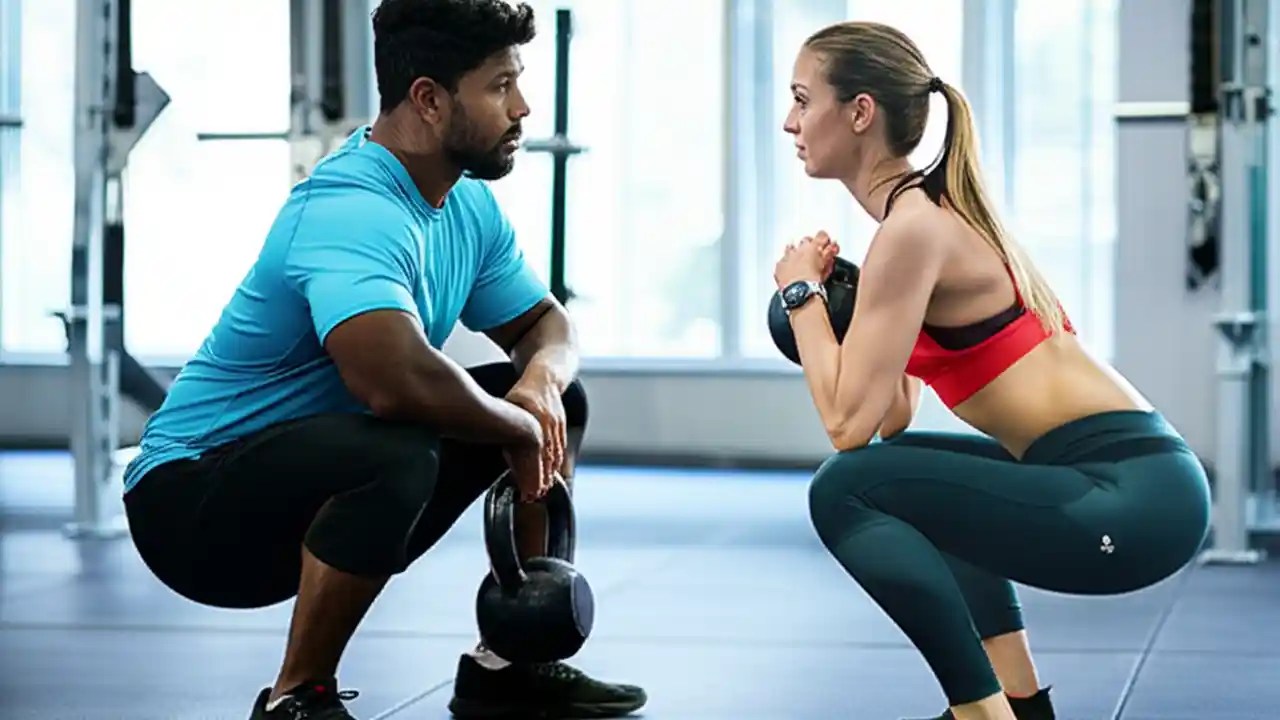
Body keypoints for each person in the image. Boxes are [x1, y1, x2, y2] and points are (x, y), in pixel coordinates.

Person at [120, 1, 648, 718]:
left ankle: (515, 661)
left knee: (554, 401)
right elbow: (391, 381)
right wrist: (515, 427)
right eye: (500, 86)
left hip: (317, 473)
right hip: (191, 505)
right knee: (402, 447)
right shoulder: (352, 208)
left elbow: (546, 326)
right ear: (429, 99)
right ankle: (297, 698)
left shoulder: (465, 207)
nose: (523, 108)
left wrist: (541, 389)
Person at [770, 21, 1212, 720]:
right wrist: (842, 318)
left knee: (843, 490)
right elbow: (892, 419)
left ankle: (981, 715)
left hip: (1133, 504)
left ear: (860, 113)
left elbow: (845, 429)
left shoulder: (913, 231)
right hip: (1127, 488)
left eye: (802, 99)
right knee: (905, 476)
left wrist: (802, 298)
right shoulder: (919, 222)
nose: (790, 120)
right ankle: (1021, 703)